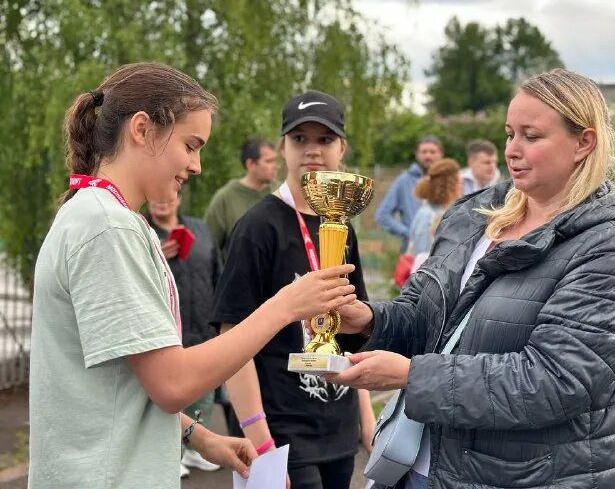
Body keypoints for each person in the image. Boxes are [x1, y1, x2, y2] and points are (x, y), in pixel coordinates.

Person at [28, 63, 356, 489]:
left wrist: (196, 435)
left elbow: (129, 374)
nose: (197, 165)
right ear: (142, 129)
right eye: (190, 144)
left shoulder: (99, 216)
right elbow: (173, 382)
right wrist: (284, 307)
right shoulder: (108, 227)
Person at [331, 68, 615, 489]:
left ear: (583, 142)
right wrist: (368, 321)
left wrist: (413, 376)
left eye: (531, 136)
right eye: (508, 134)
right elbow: (424, 316)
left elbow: (554, 382)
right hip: (425, 469)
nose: (512, 151)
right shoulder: (475, 214)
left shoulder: (609, 249)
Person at [211, 90, 375, 489]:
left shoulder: (343, 224)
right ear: (282, 147)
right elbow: (230, 336)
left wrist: (366, 420)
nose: (312, 151)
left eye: (325, 139)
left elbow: (354, 332)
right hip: (280, 432)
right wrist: (261, 441)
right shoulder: (258, 226)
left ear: (342, 148)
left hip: (338, 426)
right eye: (300, 139)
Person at [148, 192, 222, 478]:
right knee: (173, 397)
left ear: (178, 199)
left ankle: (193, 449)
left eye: (169, 197)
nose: (163, 201)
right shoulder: (145, 234)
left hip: (204, 326)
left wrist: (220, 319)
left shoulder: (199, 229)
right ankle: (172, 453)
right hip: (169, 332)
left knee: (204, 394)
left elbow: (218, 270)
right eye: (156, 199)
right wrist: (157, 259)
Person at [204, 138, 278, 261]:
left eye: (275, 161)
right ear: (251, 164)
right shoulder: (226, 197)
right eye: (269, 161)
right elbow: (208, 245)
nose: (275, 167)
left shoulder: (282, 192)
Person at [375, 136, 443, 251]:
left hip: (443, 250)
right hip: (413, 251)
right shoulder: (404, 181)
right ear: (417, 154)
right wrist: (409, 233)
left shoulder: (450, 181)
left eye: (432, 152)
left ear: (441, 154)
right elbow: (383, 215)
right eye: (424, 152)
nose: (428, 156)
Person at [407, 158, 461, 269]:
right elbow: (422, 257)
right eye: (459, 182)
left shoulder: (442, 212)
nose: (461, 186)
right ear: (450, 185)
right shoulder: (428, 216)